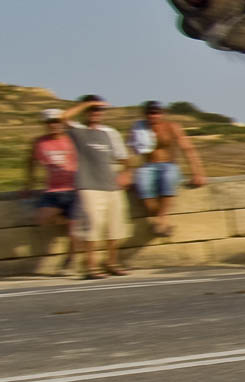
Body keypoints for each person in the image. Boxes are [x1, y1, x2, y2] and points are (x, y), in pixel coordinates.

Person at [63, 95, 132, 278]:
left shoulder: (109, 133)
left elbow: (123, 157)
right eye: (93, 110)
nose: (96, 113)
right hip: (89, 185)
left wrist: (126, 173)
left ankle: (111, 262)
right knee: (92, 226)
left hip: (111, 185)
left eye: (99, 109)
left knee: (115, 227)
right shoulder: (78, 131)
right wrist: (88, 103)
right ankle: (90, 266)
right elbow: (64, 117)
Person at [128, 101, 206, 237]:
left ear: (162, 113)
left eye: (156, 112)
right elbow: (130, 151)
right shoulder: (139, 129)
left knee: (168, 177)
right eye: (150, 113)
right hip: (148, 166)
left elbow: (188, 149)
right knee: (142, 185)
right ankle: (162, 220)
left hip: (168, 164)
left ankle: (162, 219)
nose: (153, 116)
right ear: (145, 114)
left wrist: (198, 173)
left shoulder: (172, 127)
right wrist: (127, 171)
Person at [24, 110, 83, 275]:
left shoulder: (72, 139)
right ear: (45, 124)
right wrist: (28, 184)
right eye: (50, 122)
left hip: (74, 189)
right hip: (52, 191)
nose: (54, 125)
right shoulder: (39, 143)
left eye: (57, 121)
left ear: (62, 123)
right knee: (41, 219)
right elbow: (31, 162)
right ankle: (68, 219)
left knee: (73, 230)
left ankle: (70, 261)